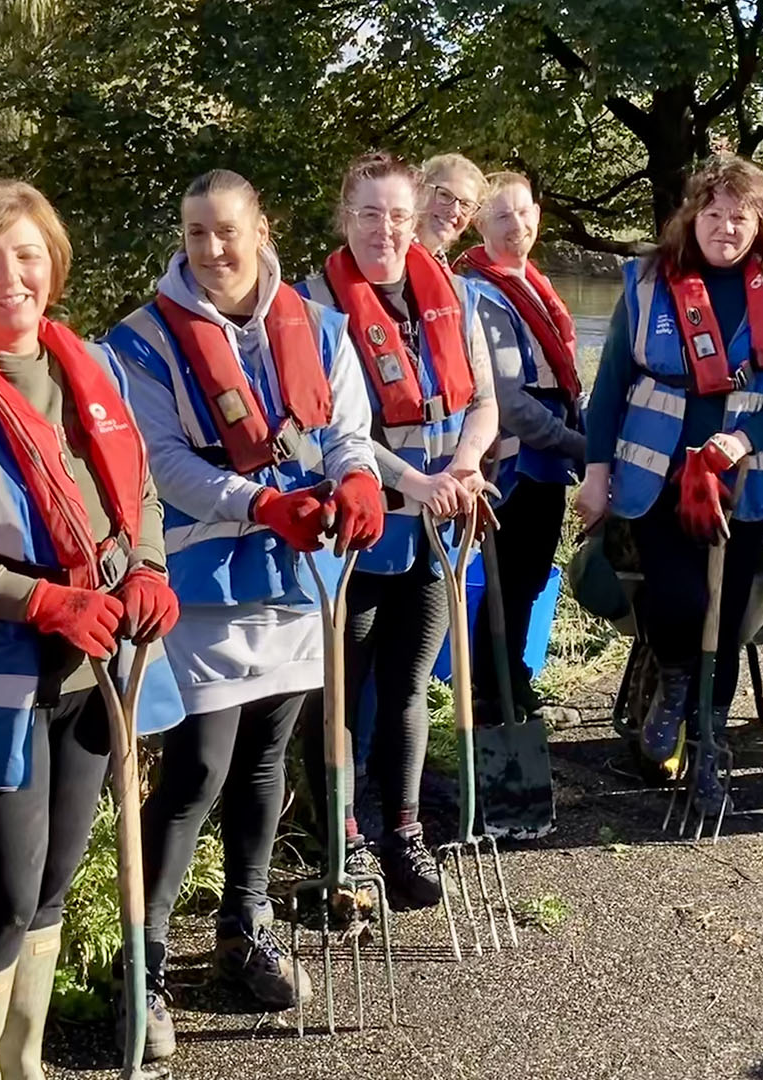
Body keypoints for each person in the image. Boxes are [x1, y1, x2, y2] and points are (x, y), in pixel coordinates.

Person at [0, 179, 182, 1078]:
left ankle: (27, 1064)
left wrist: (149, 567)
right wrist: (40, 601)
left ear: (52, 266)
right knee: (4, 897)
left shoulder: (91, 367)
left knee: (54, 883)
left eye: (26, 255)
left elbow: (138, 495)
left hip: (99, 671)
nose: (10, 277)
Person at [105, 169, 384, 1061]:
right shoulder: (143, 343)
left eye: (227, 230)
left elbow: (344, 426)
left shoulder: (320, 326)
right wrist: (257, 504)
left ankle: (243, 924)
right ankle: (142, 964)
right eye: (195, 234)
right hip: (205, 578)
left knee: (268, 756)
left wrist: (360, 478)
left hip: (301, 574)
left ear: (262, 229)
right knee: (197, 769)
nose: (213, 250)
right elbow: (162, 463)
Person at [576, 154, 763, 808]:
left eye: (740, 216)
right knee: (682, 604)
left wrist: (745, 439)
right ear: (693, 216)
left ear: (758, 223)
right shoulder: (650, 282)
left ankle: (710, 742)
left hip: (742, 479)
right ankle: (676, 682)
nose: (726, 228)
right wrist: (596, 475)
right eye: (713, 214)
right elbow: (611, 389)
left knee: (729, 616)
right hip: (658, 475)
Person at [298, 152, 499, 906]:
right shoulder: (313, 304)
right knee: (342, 692)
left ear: (419, 223)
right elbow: (324, 424)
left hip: (441, 524)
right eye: (369, 215)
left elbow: (481, 401)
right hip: (362, 524)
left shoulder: (451, 291)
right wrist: (414, 481)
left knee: (410, 684)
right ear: (345, 217)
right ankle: (342, 837)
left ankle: (404, 835)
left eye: (399, 217)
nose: (385, 231)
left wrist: (467, 466)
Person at [453, 171, 587, 727]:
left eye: (525, 212)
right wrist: (579, 444)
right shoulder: (481, 291)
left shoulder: (532, 281)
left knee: (529, 578)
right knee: (509, 579)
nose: (517, 225)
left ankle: (514, 684)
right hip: (513, 462)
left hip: (548, 458)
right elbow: (506, 399)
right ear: (481, 223)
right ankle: (493, 696)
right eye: (502, 216)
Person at [418, 152, 486, 263]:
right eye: (444, 195)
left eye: (465, 204)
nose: (454, 210)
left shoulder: (442, 268)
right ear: (419, 190)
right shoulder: (389, 256)